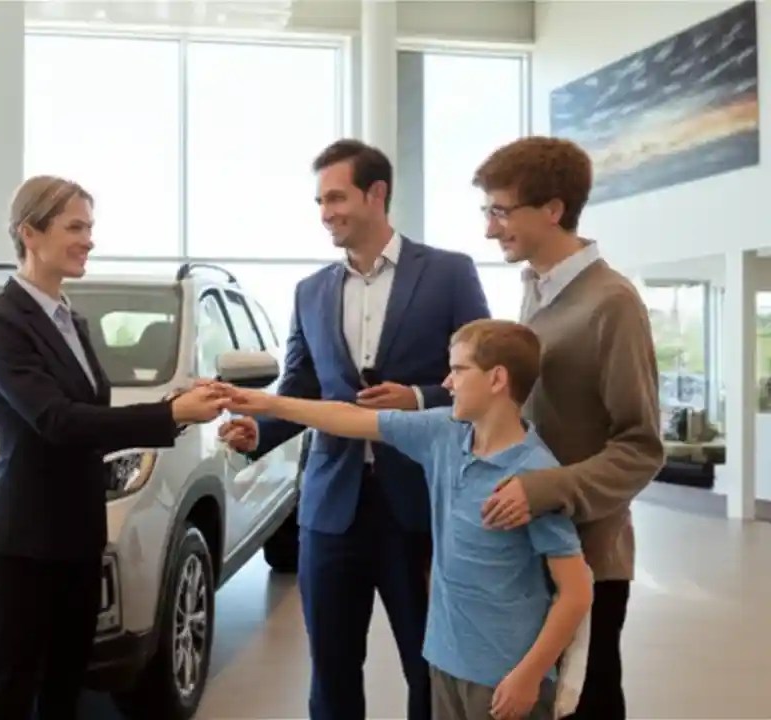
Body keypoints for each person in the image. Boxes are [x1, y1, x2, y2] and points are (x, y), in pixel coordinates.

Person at [218, 139, 491, 720]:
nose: (326, 212)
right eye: (320, 201)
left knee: (430, 667)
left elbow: (487, 376)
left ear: (377, 194)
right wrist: (256, 432)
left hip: (420, 507)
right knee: (333, 669)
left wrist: (417, 399)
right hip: (329, 512)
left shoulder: (448, 273)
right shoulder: (310, 291)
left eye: (336, 197)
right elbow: (299, 387)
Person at [217, 318, 594, 720]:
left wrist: (529, 676)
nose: (446, 383)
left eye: (459, 371)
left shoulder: (535, 476)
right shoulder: (443, 433)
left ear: (497, 379)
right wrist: (269, 404)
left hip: (504, 679)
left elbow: (576, 592)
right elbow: (348, 418)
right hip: (444, 660)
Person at [0, 175, 226, 720]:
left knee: (63, 696)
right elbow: (56, 421)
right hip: (20, 550)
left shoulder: (73, 321)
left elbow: (93, 418)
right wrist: (169, 414)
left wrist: (172, 408)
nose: (89, 240)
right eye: (76, 227)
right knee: (8, 701)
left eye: (90, 227)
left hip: (78, 542)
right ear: (29, 233)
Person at [471, 137, 664, 720]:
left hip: (589, 562)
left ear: (553, 210)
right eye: (488, 212)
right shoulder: (535, 289)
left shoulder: (613, 304)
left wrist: (544, 490)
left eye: (500, 212)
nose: (489, 230)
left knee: (587, 704)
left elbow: (641, 447)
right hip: (533, 552)